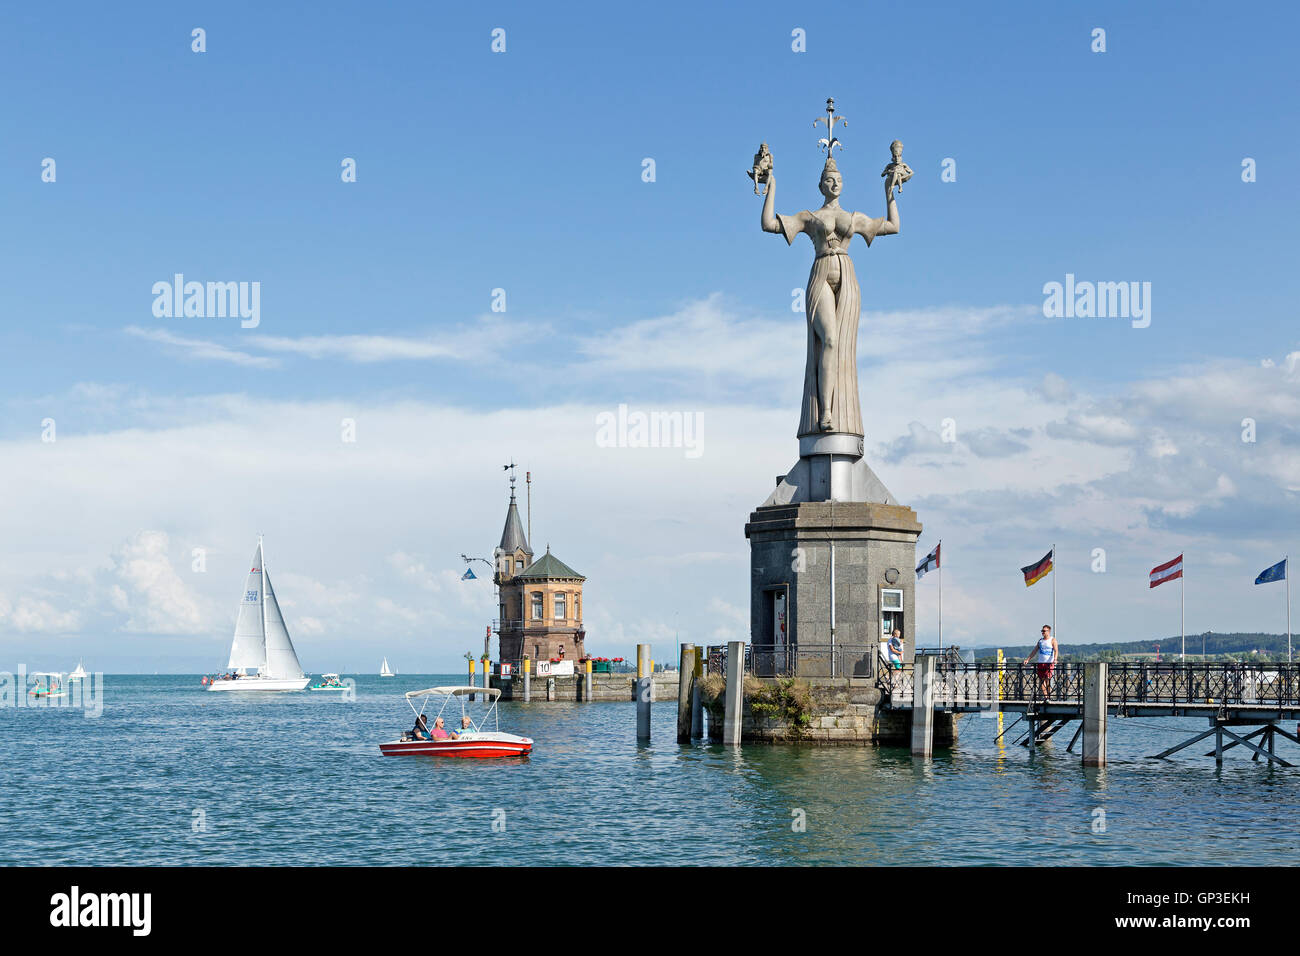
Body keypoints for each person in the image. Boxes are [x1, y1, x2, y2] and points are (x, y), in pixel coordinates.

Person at [1024, 625, 1058, 699]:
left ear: (1048, 631)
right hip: (1040, 662)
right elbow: (1034, 651)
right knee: (1042, 680)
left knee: (1048, 679)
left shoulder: (1053, 640)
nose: (1042, 632)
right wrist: (1028, 659)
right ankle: (1046, 697)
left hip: (1049, 663)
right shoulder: (1040, 641)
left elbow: (1056, 650)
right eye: (1042, 631)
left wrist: (1055, 659)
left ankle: (1049, 696)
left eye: (1044, 631)